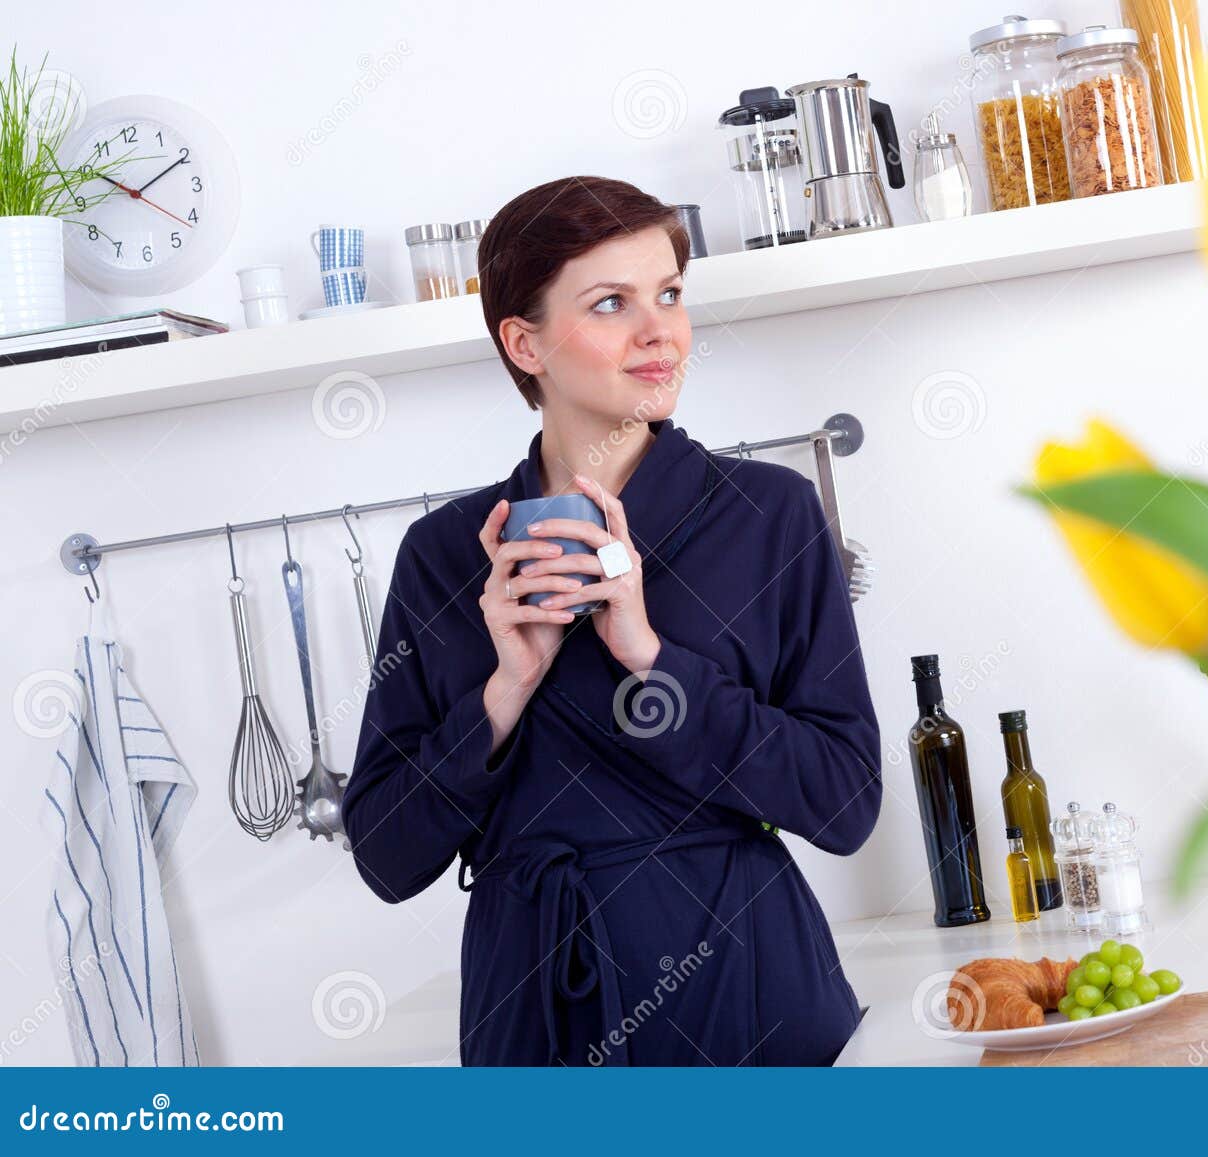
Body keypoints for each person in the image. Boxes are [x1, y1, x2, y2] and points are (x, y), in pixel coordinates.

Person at [341, 175, 882, 1066]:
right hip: (532, 1012)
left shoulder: (769, 514)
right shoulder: (444, 555)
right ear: (525, 343)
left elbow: (846, 802)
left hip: (747, 991)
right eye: (610, 303)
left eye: (669, 294)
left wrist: (652, 658)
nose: (659, 330)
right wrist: (504, 690)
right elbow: (385, 857)